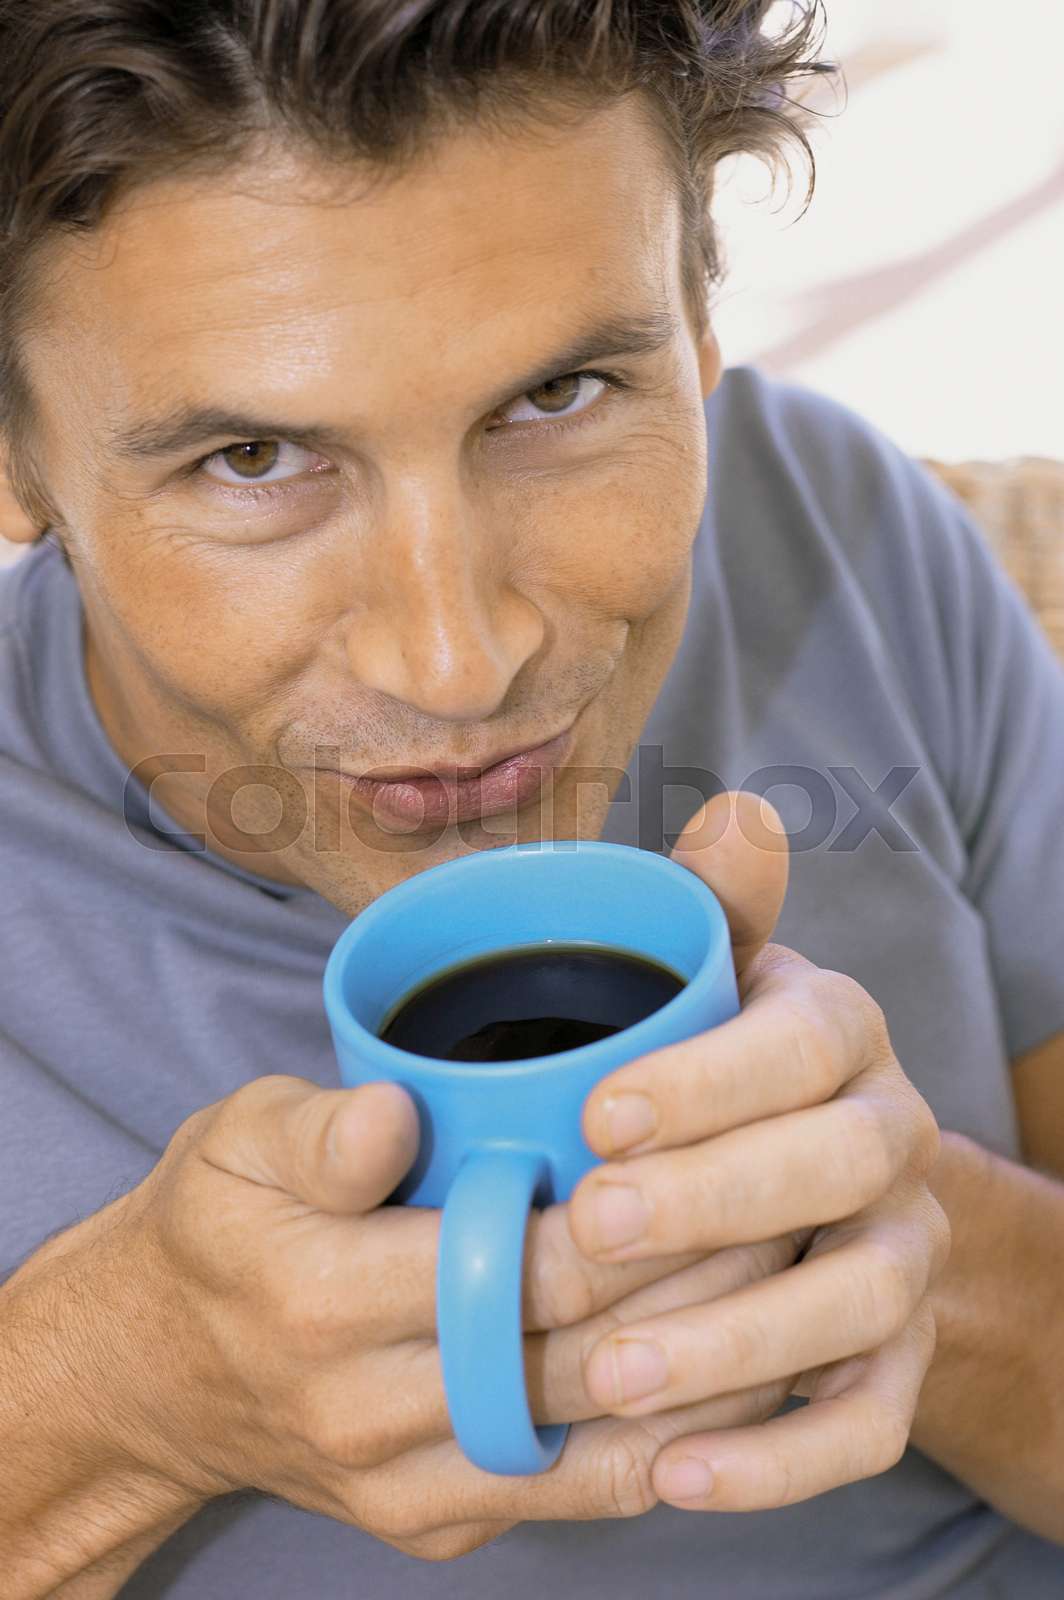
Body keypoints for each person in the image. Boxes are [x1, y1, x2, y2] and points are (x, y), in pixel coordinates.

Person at [1, 1, 1062, 1596]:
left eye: (558, 398)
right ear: (17, 463)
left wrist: (914, 1242)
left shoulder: (836, 521)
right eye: (251, 459)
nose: (458, 662)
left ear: (701, 335)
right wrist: (115, 1402)